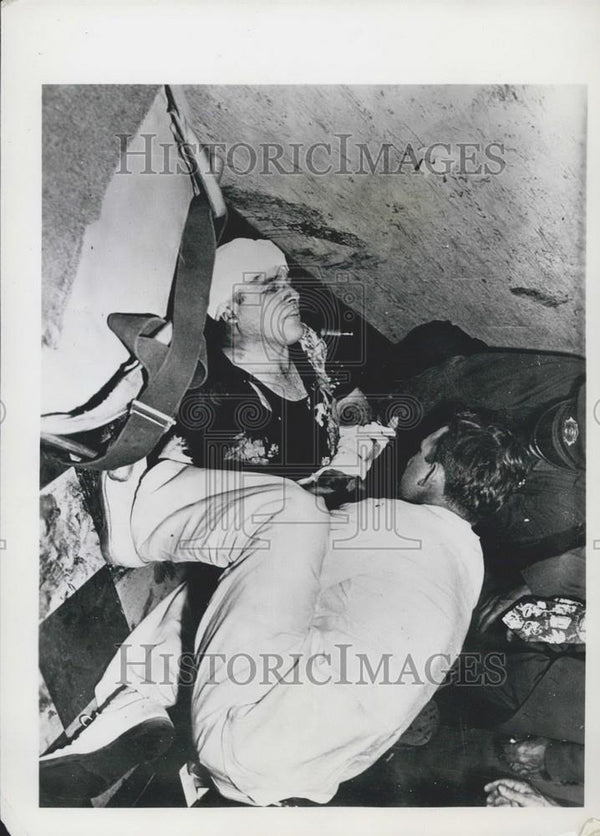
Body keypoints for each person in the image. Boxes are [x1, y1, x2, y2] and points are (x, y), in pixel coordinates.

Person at [40, 409, 530, 806]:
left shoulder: (402, 525)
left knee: (289, 512)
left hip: (247, 725)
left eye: (419, 452)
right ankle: (138, 699)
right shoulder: (467, 570)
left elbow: (269, 533)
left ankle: (139, 522)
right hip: (280, 777)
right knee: (254, 587)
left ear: (431, 468)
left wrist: (219, 484)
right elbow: (271, 583)